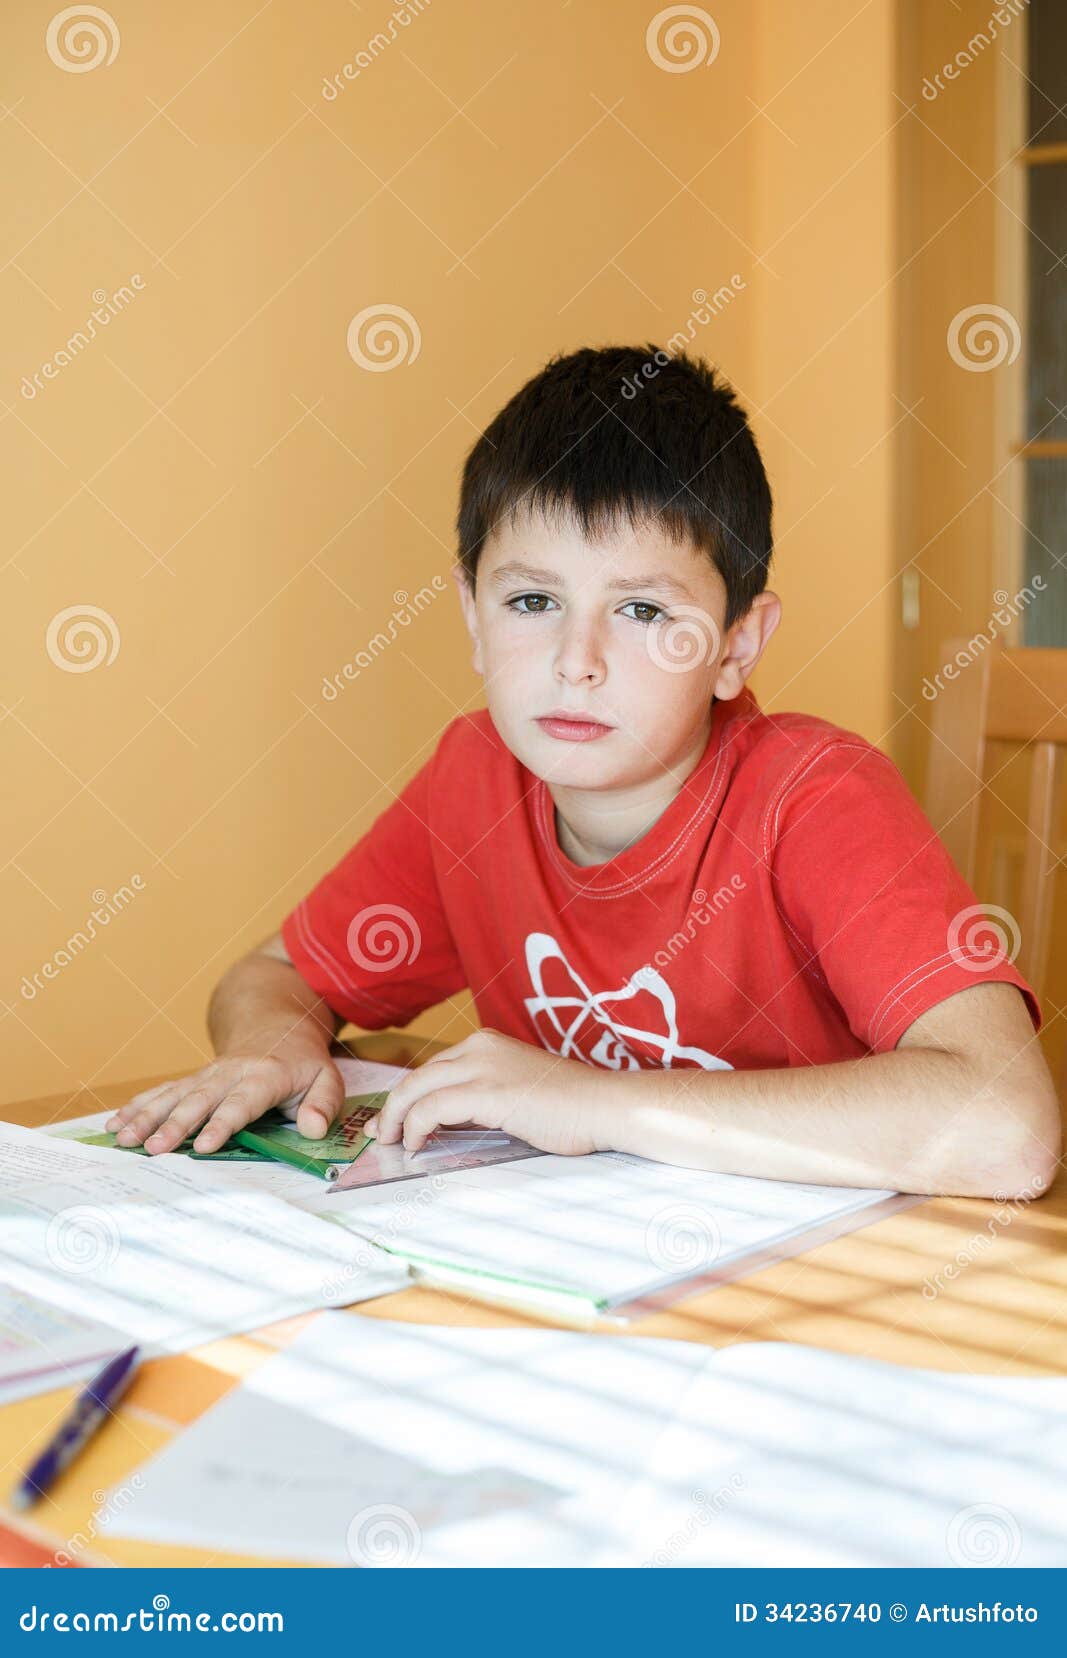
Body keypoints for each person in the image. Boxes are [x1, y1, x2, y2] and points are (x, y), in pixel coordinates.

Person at [107, 346, 1060, 1197]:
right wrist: (272, 1039)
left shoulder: (814, 795)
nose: (577, 660)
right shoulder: (473, 778)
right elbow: (273, 974)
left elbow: (1006, 1129)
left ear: (735, 644)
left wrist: (596, 1104)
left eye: (643, 612)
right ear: (474, 620)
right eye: (531, 600)